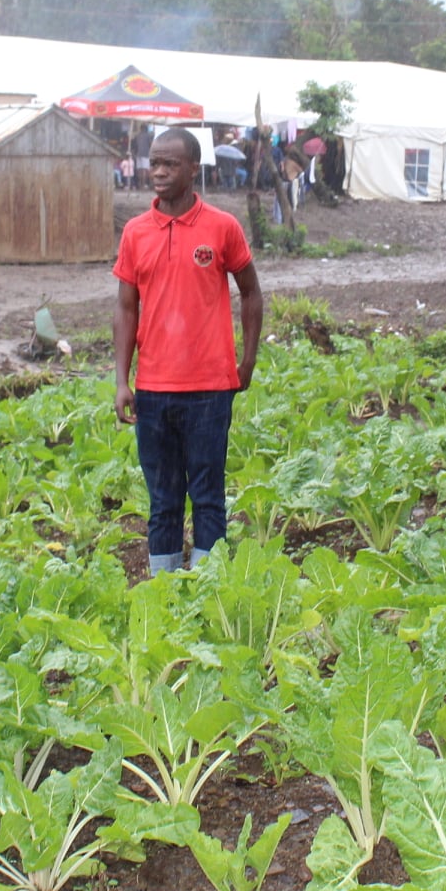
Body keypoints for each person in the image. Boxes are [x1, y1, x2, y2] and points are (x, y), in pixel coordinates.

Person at [113, 127, 263, 573]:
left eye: (169, 164)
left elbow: (252, 293)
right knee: (162, 501)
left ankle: (207, 592)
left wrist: (248, 358)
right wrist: (122, 380)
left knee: (208, 497)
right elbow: (124, 308)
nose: (158, 172)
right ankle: (164, 594)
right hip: (154, 389)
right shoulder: (136, 232)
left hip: (210, 389)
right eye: (154, 163)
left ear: (194, 169)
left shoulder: (222, 227)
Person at [133, 124, 154, 189]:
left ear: (140, 129)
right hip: (146, 154)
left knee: (139, 170)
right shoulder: (148, 136)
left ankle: (140, 184)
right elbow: (151, 144)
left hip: (138, 154)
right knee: (145, 170)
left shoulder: (137, 136)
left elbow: (135, 145)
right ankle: (144, 184)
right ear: (146, 129)